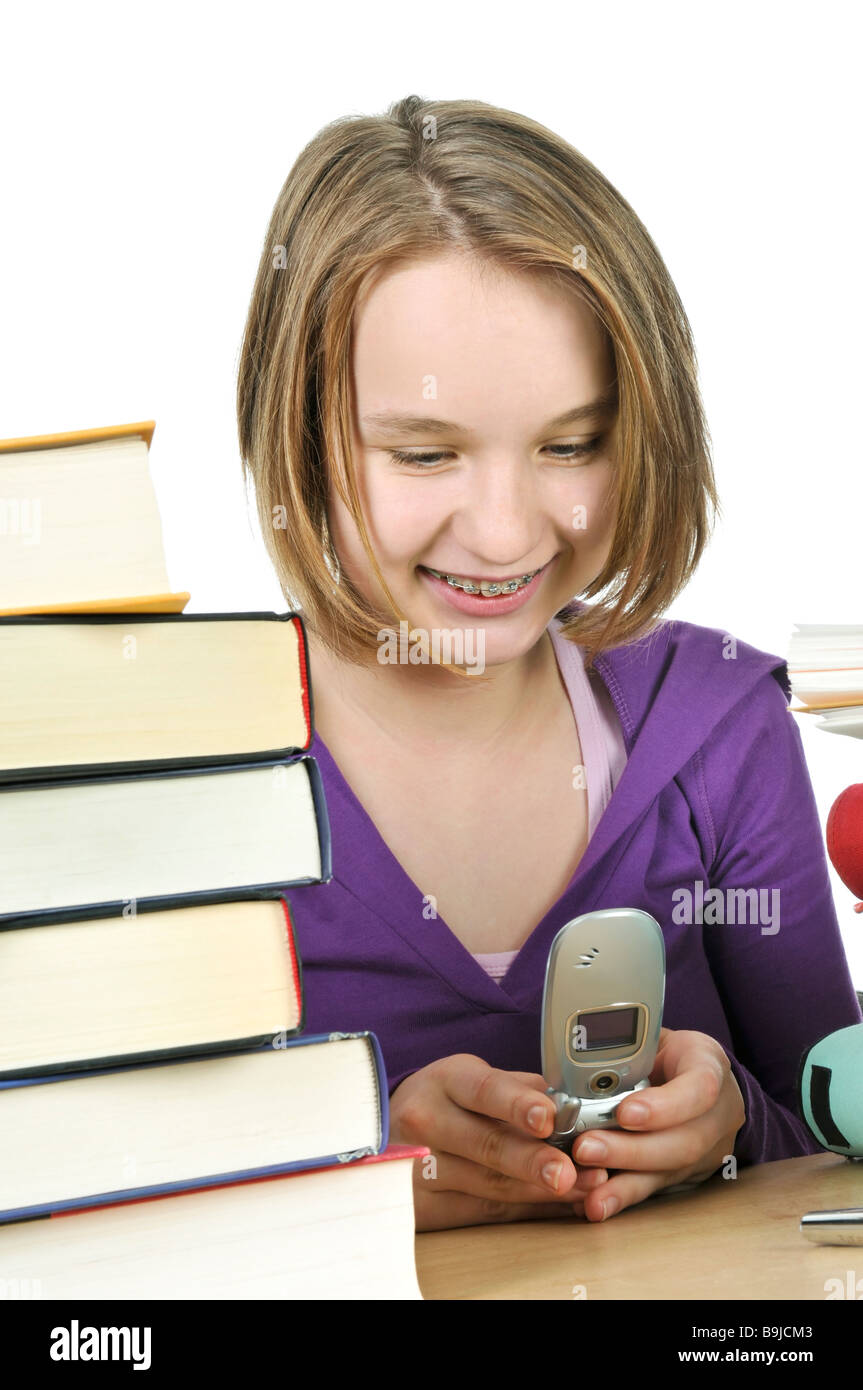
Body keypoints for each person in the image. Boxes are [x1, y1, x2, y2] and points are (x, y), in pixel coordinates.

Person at [236, 94, 862, 1233]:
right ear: (298, 430)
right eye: (424, 452)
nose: (506, 531)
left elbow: (835, 1136)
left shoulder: (716, 727)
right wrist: (358, 1170)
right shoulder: (163, 764)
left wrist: (726, 1135)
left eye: (570, 445)